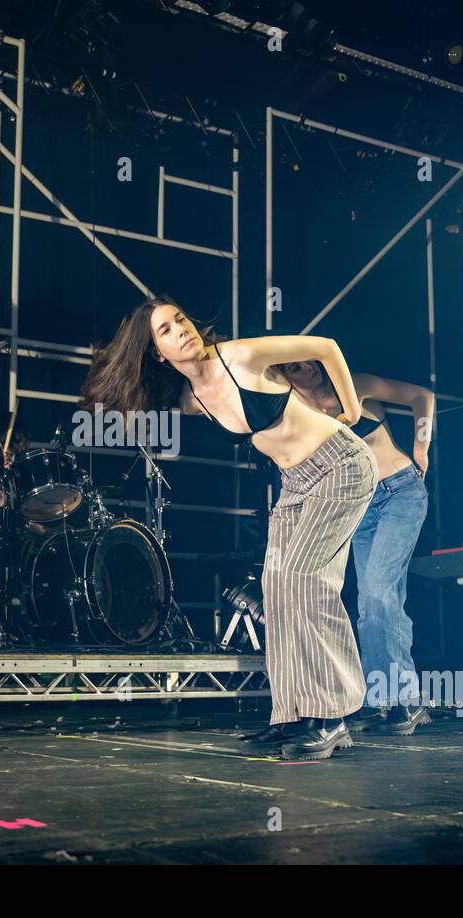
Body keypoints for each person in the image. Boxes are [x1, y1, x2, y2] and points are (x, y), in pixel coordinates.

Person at [80, 296, 376, 759]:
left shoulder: (239, 355)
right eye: (166, 330)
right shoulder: (190, 398)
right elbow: (132, 395)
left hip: (341, 465)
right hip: (296, 483)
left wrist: (352, 410)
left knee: (304, 580)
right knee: (277, 589)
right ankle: (292, 715)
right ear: (158, 353)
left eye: (181, 319)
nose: (182, 329)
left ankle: (332, 716)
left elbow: (325, 346)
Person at [277, 359, 434, 735]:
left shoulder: (354, 384)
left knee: (379, 592)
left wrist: (421, 446)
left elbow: (422, 396)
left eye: (307, 363)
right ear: (284, 378)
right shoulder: (298, 412)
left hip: (401, 492)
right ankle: (383, 699)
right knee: (372, 600)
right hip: (358, 506)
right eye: (294, 369)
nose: (306, 370)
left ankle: (406, 699)